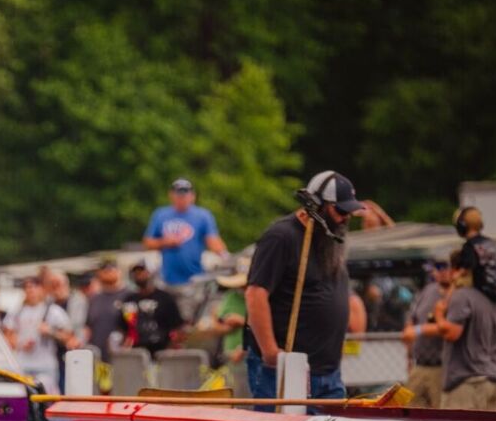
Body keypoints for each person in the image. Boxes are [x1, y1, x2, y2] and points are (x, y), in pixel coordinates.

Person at [243, 170, 361, 401]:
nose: (346, 217)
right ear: (316, 204)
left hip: (328, 373)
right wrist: (270, 353)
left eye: (350, 211)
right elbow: (255, 294)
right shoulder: (282, 237)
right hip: (285, 370)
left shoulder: (330, 240)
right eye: (340, 210)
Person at [435, 250, 496, 410]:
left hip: (466, 384)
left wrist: (439, 315)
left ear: (460, 270)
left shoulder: (463, 296)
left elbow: (453, 333)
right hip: (493, 379)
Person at [143, 178, 227, 302]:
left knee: (190, 317)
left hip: (194, 279)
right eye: (178, 194)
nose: (182, 198)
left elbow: (213, 240)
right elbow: (147, 243)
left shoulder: (203, 216)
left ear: (193, 196)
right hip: (167, 279)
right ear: (171, 195)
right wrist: (164, 242)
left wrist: (226, 256)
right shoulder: (160, 215)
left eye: (185, 194)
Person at [3, 275, 73, 394]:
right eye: (27, 287)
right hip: (22, 363)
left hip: (46, 365)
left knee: (45, 397)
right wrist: (20, 344)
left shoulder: (53, 311)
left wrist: (51, 331)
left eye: (34, 287)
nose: (31, 290)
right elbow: (7, 335)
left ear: (42, 289)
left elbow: (68, 337)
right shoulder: (16, 311)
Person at [401, 259, 452, 407]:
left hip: (442, 367)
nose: (441, 271)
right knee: (411, 414)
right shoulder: (428, 290)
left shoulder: (459, 295)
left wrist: (418, 330)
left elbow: (451, 329)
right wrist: (409, 357)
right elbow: (412, 322)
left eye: (445, 266)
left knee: (441, 417)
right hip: (419, 366)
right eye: (437, 267)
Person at [454, 204, 496, 310]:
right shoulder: (489, 243)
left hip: (485, 295)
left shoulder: (470, 246)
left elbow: (464, 270)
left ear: (462, 225)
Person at [119, 264, 184, 354]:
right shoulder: (129, 300)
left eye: (143, 272)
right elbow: (124, 326)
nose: (140, 276)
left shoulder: (165, 298)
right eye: (136, 274)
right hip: (137, 349)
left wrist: (172, 346)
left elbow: (177, 325)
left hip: (163, 347)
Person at [83, 259, 126, 356]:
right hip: (99, 355)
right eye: (104, 270)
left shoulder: (130, 296)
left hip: (123, 355)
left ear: (119, 271)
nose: (108, 272)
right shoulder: (94, 299)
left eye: (111, 269)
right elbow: (88, 326)